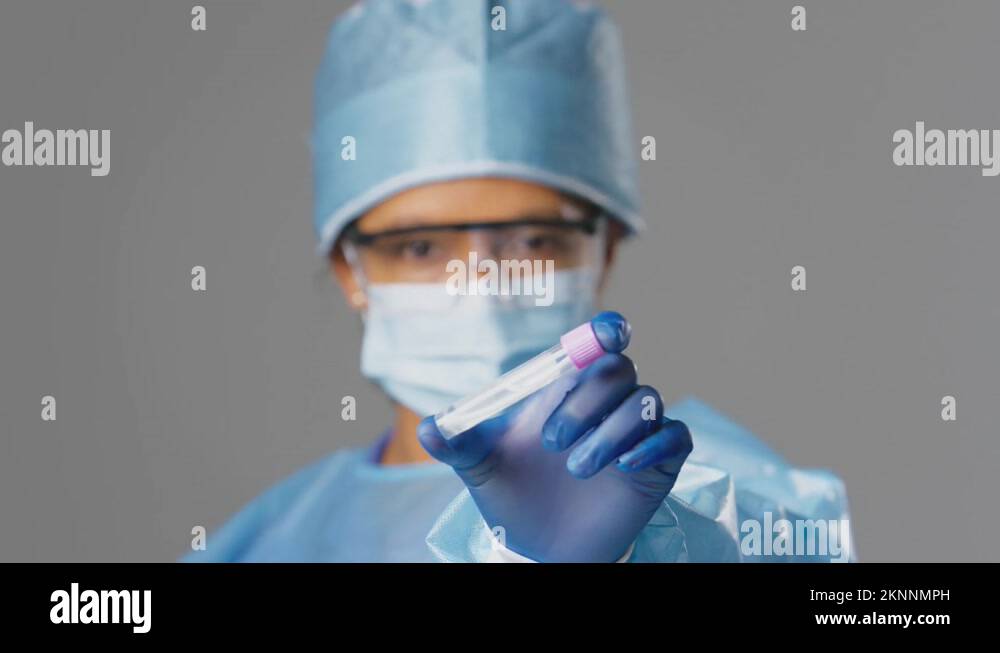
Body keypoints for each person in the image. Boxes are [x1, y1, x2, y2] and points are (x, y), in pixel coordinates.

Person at [183, 0, 853, 563]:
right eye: (420, 245)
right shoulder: (262, 545)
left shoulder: (712, 497)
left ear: (604, 248)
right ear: (349, 271)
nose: (482, 280)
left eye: (534, 239)